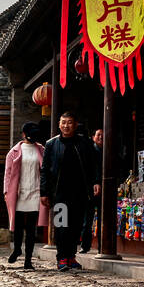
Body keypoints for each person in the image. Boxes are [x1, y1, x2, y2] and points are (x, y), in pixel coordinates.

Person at [41, 110, 100, 272]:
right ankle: (61, 258)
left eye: (69, 122)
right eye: (63, 122)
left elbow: (93, 164)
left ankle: (71, 256)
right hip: (59, 193)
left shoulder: (84, 143)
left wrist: (96, 181)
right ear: (59, 125)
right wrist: (44, 192)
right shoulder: (51, 144)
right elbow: (45, 170)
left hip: (80, 192)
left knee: (75, 226)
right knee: (61, 226)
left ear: (75, 125)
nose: (66, 125)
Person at [3, 121, 47, 269]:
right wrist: (6, 191)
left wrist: (46, 190)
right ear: (23, 134)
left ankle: (28, 260)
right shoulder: (14, 152)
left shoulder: (41, 149)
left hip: (35, 192)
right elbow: (7, 174)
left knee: (31, 229)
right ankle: (17, 249)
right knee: (18, 225)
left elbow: (45, 171)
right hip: (19, 193)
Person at [81, 127, 103, 253]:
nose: (100, 137)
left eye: (103, 135)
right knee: (87, 220)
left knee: (102, 219)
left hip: (104, 190)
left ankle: (101, 246)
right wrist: (95, 182)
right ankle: (85, 245)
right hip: (90, 189)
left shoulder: (108, 152)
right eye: (98, 135)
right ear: (93, 137)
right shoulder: (89, 151)